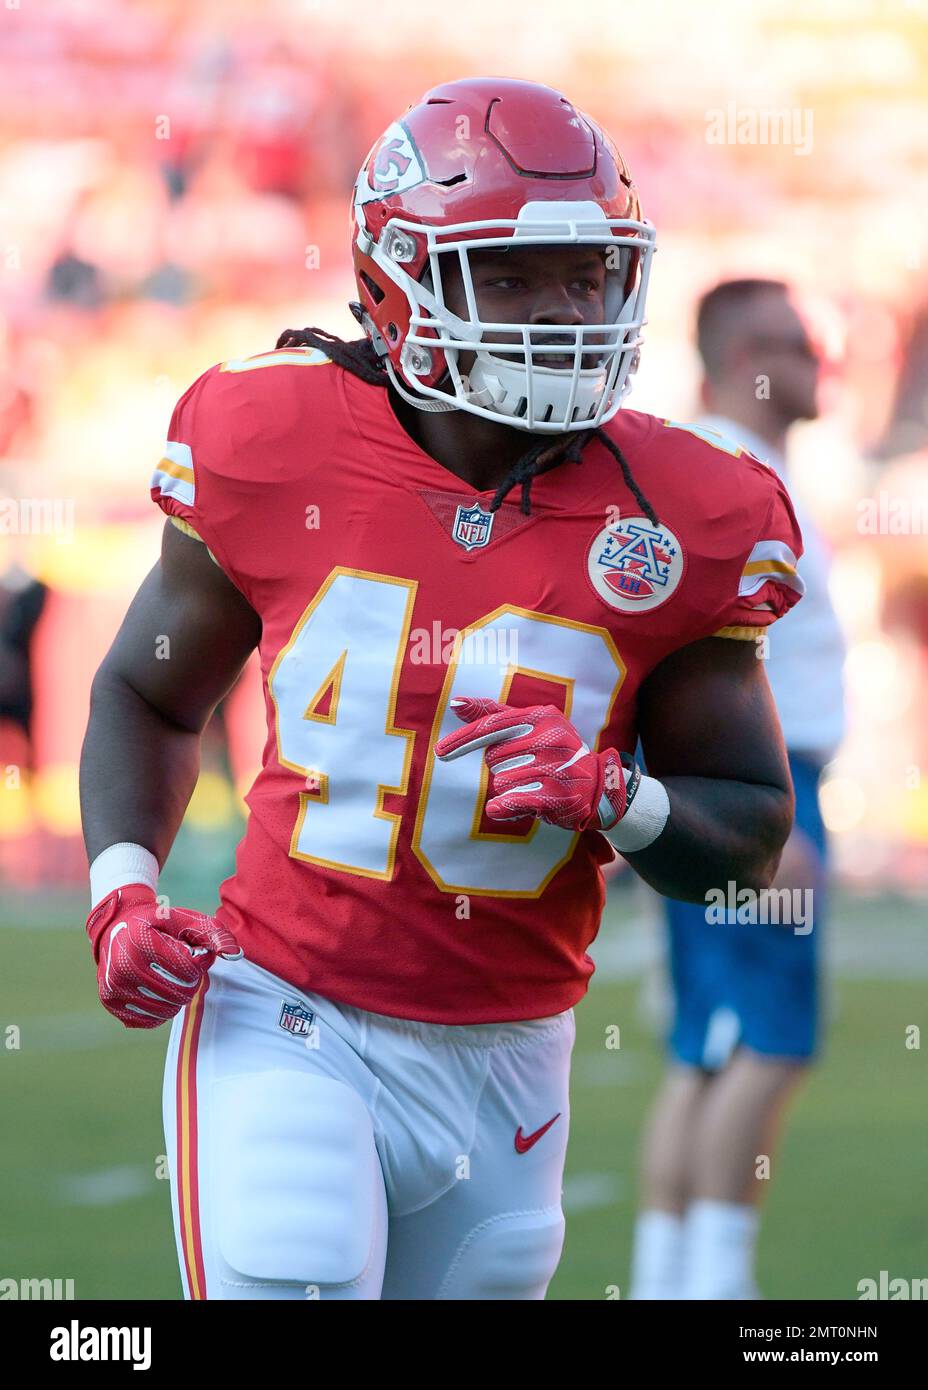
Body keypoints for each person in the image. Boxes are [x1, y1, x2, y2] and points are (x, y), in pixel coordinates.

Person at [80, 80, 804, 1301]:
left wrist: (617, 797)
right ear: (393, 283)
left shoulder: (689, 509)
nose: (563, 311)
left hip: (512, 1056)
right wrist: (121, 891)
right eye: (510, 277)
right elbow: (147, 694)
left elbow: (745, 829)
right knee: (295, 1276)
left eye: (586, 275)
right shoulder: (269, 434)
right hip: (286, 1009)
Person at [630, 278, 845, 1301]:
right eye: (799, 344)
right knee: (768, 1043)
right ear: (752, 355)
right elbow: (679, 652)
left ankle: (669, 1280)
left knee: (708, 1052)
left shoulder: (731, 466)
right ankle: (714, 1286)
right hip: (759, 783)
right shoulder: (726, 473)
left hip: (735, 780)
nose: (819, 362)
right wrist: (763, 821)